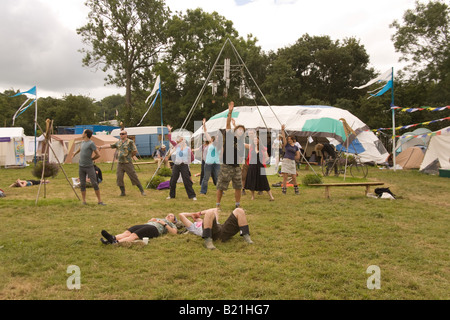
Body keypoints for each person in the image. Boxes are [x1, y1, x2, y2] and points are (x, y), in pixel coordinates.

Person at [216, 101, 246, 209]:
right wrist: (230, 112)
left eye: (242, 130)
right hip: (226, 166)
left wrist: (241, 165)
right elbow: (227, 124)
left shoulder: (241, 143)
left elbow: (241, 156)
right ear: (235, 131)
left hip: (236, 167)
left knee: (238, 186)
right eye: (239, 129)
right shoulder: (229, 136)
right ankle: (218, 205)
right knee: (221, 186)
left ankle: (237, 205)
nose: (240, 131)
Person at [99, 130, 146, 196]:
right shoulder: (118, 142)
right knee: (119, 178)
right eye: (120, 134)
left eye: (123, 134)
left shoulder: (130, 142)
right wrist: (101, 147)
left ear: (126, 135)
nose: (121, 135)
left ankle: (142, 191)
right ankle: (122, 192)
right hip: (120, 163)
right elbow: (110, 145)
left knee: (133, 176)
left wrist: (131, 156)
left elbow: (135, 150)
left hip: (127, 163)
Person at [72, 129, 105, 205]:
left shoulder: (91, 143)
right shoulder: (83, 142)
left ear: (86, 134)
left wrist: (92, 159)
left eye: (83, 132)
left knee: (94, 183)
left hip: (89, 167)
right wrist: (75, 153)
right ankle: (84, 201)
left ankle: (100, 201)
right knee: (82, 184)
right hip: (81, 166)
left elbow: (98, 154)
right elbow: (80, 148)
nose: (82, 133)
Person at [100, 214, 178, 245]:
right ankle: (112, 238)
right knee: (128, 232)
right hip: (147, 225)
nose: (168, 216)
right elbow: (148, 222)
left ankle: (116, 242)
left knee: (134, 235)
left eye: (171, 216)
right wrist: (151, 220)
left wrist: (164, 224)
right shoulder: (159, 218)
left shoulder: (171, 224)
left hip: (155, 229)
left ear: (174, 220)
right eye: (168, 215)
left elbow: (174, 233)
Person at [166, 125, 197, 200]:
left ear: (184, 141)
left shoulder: (188, 149)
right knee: (173, 180)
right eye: (179, 140)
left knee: (186, 181)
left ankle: (192, 196)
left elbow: (192, 158)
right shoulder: (177, 146)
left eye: (181, 140)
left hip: (184, 166)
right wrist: (169, 131)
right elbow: (170, 140)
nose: (180, 141)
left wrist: (187, 162)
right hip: (176, 165)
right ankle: (171, 195)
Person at [244, 135, 275, 201]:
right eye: (254, 140)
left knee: (264, 181)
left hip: (260, 166)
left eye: (256, 139)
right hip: (252, 166)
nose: (255, 141)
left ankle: (271, 196)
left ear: (258, 140)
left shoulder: (262, 148)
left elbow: (266, 157)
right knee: (252, 181)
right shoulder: (251, 147)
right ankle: (252, 196)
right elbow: (243, 144)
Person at [200, 118, 221, 195]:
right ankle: (203, 191)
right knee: (206, 178)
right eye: (216, 139)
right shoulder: (210, 143)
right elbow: (205, 131)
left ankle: (220, 190)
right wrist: (204, 124)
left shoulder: (220, 146)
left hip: (216, 163)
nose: (217, 140)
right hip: (208, 163)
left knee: (217, 178)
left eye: (219, 139)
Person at [281, 124, 300, 195]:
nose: (289, 140)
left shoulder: (296, 147)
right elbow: (283, 138)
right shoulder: (287, 145)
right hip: (286, 161)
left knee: (294, 177)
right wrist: (282, 130)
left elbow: (298, 156)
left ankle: (296, 189)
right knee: (285, 177)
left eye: (290, 139)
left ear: (293, 140)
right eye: (288, 139)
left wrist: (294, 158)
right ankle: (284, 190)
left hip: (292, 161)